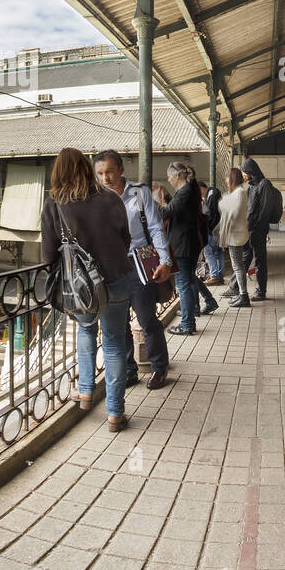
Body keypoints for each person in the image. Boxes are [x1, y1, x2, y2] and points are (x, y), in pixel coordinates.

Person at [39, 146, 137, 433]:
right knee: (115, 344)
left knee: (85, 331)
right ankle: (115, 415)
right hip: (117, 278)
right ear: (86, 168)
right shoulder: (111, 198)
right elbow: (126, 238)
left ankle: (85, 393)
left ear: (58, 171)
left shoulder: (55, 203)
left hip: (81, 287)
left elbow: (47, 255)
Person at [96, 150, 170, 390]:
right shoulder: (97, 198)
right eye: (100, 173)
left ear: (120, 170)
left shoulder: (139, 193)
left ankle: (159, 368)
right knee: (119, 322)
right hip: (111, 268)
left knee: (147, 319)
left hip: (139, 264)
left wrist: (165, 261)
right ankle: (129, 370)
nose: (105, 178)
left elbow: (157, 228)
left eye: (109, 171)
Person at [161, 161, 208, 335]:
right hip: (189, 243)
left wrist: (151, 204)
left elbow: (166, 213)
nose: (168, 179)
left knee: (183, 285)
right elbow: (175, 208)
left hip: (183, 245)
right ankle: (189, 318)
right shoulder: (189, 191)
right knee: (186, 282)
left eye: (169, 176)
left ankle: (187, 324)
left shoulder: (185, 191)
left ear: (178, 176)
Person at [238, 159, 282, 304]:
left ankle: (261, 291)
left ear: (250, 171)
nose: (243, 175)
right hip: (250, 230)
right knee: (248, 259)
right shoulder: (251, 187)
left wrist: (257, 230)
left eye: (244, 171)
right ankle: (236, 287)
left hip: (258, 231)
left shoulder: (264, 184)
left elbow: (265, 210)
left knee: (260, 261)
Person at [216, 167, 257, 308]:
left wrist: (223, 202)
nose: (226, 180)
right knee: (238, 266)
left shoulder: (239, 193)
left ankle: (243, 296)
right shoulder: (239, 192)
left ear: (232, 178)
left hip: (236, 235)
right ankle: (241, 294)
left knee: (238, 266)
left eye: (227, 178)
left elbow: (231, 212)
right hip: (238, 234)